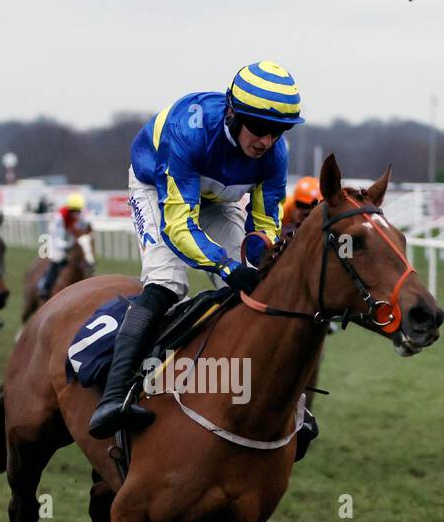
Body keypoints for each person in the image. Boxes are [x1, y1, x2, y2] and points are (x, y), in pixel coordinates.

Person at [87, 61, 302, 439]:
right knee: (167, 281)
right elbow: (179, 225)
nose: (268, 141)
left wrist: (259, 258)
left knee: (258, 285)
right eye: (261, 129)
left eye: (279, 131)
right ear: (234, 113)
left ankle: (285, 403)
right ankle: (114, 396)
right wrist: (225, 265)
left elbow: (266, 224)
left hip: (218, 199)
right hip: (158, 188)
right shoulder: (189, 131)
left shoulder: (275, 154)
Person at [37, 192, 93, 297]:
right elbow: (58, 236)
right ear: (69, 209)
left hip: (69, 239)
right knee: (58, 259)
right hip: (56, 240)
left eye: (78, 211)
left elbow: (84, 226)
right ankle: (45, 286)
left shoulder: (80, 214)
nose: (76, 213)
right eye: (73, 211)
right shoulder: (59, 217)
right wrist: (66, 247)